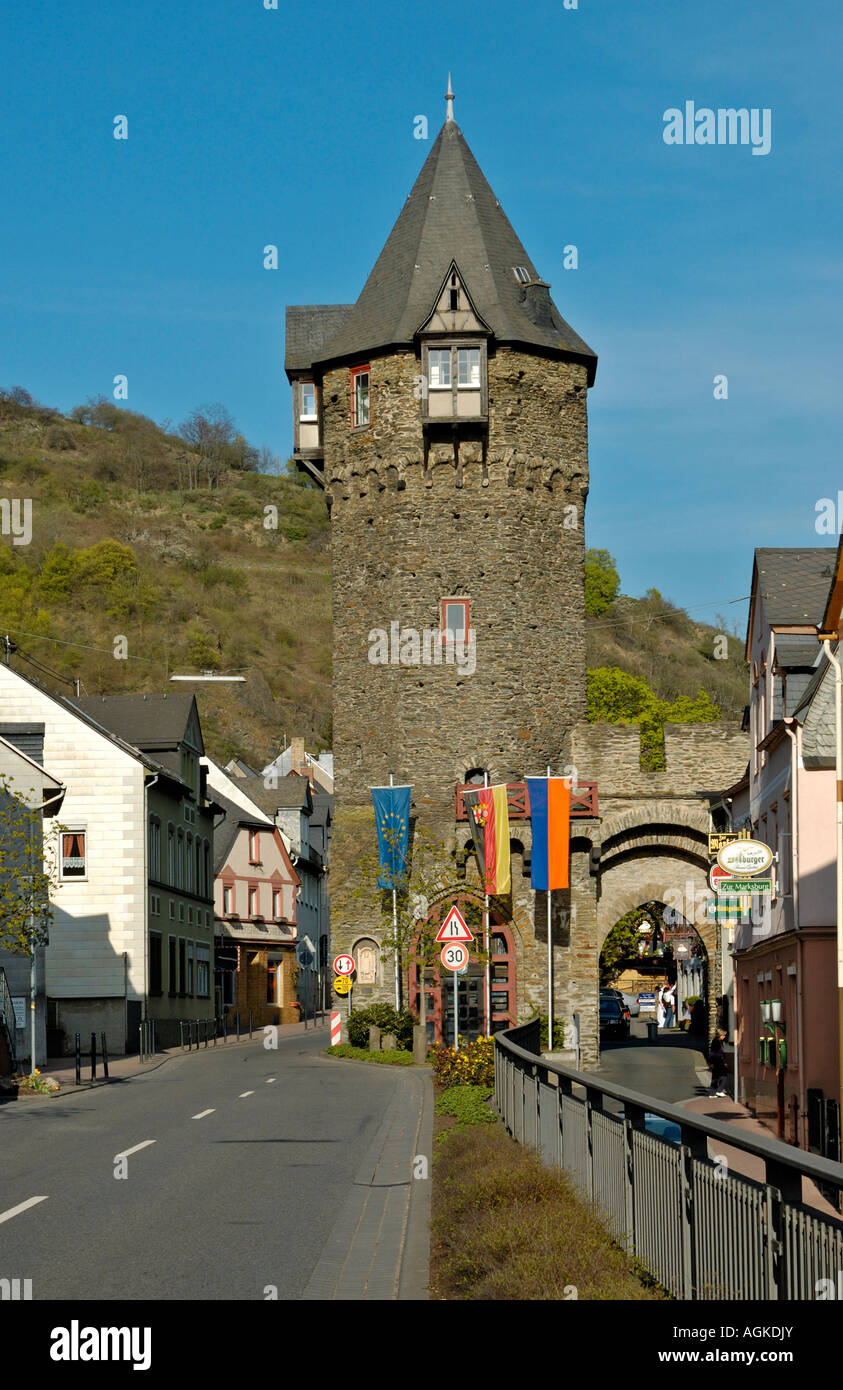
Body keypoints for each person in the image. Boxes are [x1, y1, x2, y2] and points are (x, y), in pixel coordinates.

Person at [708, 1028, 729, 1097]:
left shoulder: (717, 1041)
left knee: (715, 1078)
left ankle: (712, 1093)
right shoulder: (717, 1042)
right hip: (718, 1062)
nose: (724, 1036)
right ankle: (719, 1090)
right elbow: (714, 1053)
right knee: (724, 1076)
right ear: (720, 1035)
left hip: (717, 1062)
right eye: (723, 1035)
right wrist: (712, 1063)